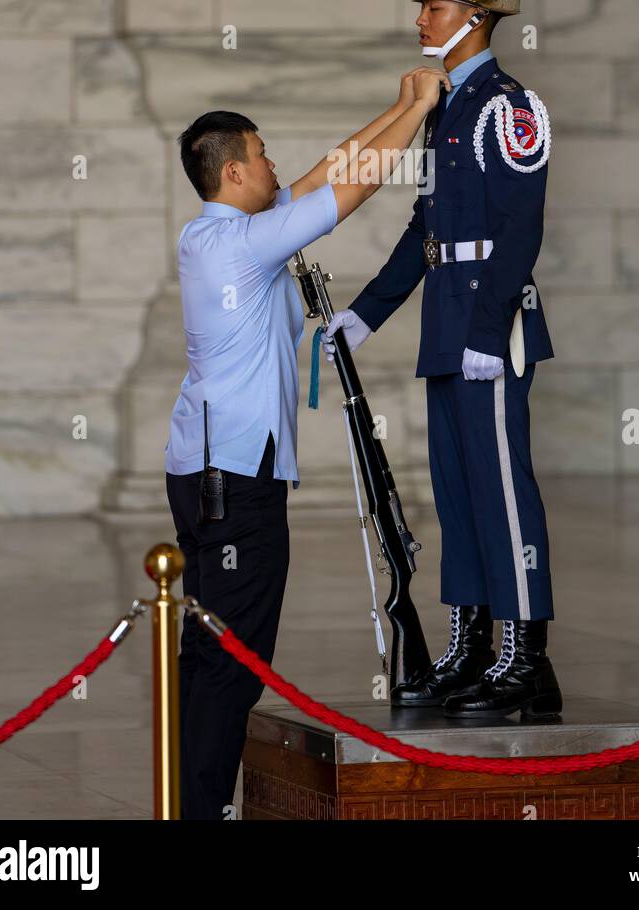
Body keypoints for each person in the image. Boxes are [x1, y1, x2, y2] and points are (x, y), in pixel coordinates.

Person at [165, 66, 450, 819]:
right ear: (232, 170)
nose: (275, 164)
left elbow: (333, 169)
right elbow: (347, 195)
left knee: (206, 649)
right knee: (233, 656)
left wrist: (402, 106)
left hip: (201, 467)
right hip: (235, 475)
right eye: (261, 154)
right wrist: (418, 112)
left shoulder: (219, 233)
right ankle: (200, 811)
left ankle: (188, 802)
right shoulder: (242, 246)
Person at [323, 0, 563, 721]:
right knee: (457, 494)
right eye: (425, 4)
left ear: (477, 18)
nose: (422, 15)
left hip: (488, 325)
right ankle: (467, 648)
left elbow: (520, 233)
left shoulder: (507, 107)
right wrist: (365, 312)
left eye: (436, 4)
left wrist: (489, 334)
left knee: (503, 490)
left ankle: (524, 656)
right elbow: (425, 230)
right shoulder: (447, 108)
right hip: (446, 323)